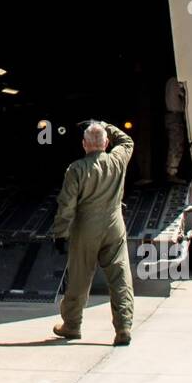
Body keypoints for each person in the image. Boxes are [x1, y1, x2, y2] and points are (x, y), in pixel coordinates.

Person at [51, 120, 135, 345]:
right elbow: (127, 141)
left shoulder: (76, 169)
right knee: (119, 276)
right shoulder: (118, 161)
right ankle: (124, 327)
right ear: (106, 143)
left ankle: (72, 325)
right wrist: (106, 125)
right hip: (114, 225)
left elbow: (67, 205)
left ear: (84, 144)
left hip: (85, 228)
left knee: (79, 277)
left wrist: (61, 233)